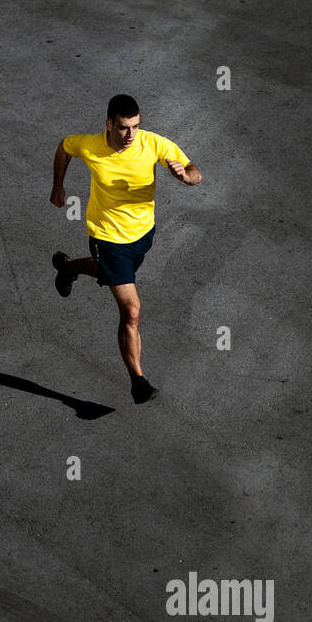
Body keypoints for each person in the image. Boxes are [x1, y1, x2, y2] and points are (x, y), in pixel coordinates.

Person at [49, 94, 202, 404]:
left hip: (143, 235)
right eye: (123, 128)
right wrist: (58, 185)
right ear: (109, 124)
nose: (131, 135)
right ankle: (138, 381)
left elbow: (194, 170)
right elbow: (64, 147)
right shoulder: (90, 145)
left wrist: (186, 177)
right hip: (105, 236)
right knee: (131, 311)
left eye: (135, 126)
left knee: (113, 273)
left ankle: (68, 268)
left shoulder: (153, 143)